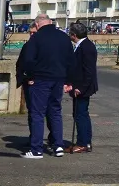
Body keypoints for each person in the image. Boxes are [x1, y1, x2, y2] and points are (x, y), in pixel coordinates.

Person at [16, 15, 73, 158]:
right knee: (55, 112)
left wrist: (29, 76)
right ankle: (58, 146)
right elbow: (71, 61)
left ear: (37, 24)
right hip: (58, 79)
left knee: (37, 114)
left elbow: (28, 60)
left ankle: (36, 149)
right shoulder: (64, 38)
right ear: (51, 22)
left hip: (40, 79)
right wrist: (68, 80)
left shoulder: (37, 38)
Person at [67, 25, 98, 153]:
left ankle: (83, 142)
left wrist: (80, 87)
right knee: (79, 114)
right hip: (78, 86)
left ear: (74, 35)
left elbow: (89, 71)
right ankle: (84, 141)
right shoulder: (82, 45)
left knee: (81, 114)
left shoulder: (86, 47)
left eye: (71, 34)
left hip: (83, 87)